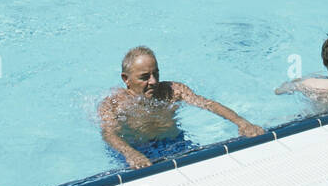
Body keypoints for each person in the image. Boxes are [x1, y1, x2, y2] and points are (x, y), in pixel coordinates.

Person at [99, 47, 265, 169]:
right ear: (126, 79)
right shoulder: (113, 104)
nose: (153, 81)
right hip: (136, 150)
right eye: (144, 77)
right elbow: (109, 133)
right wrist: (130, 153)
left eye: (155, 74)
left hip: (174, 143)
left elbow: (208, 104)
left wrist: (242, 122)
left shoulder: (173, 91)